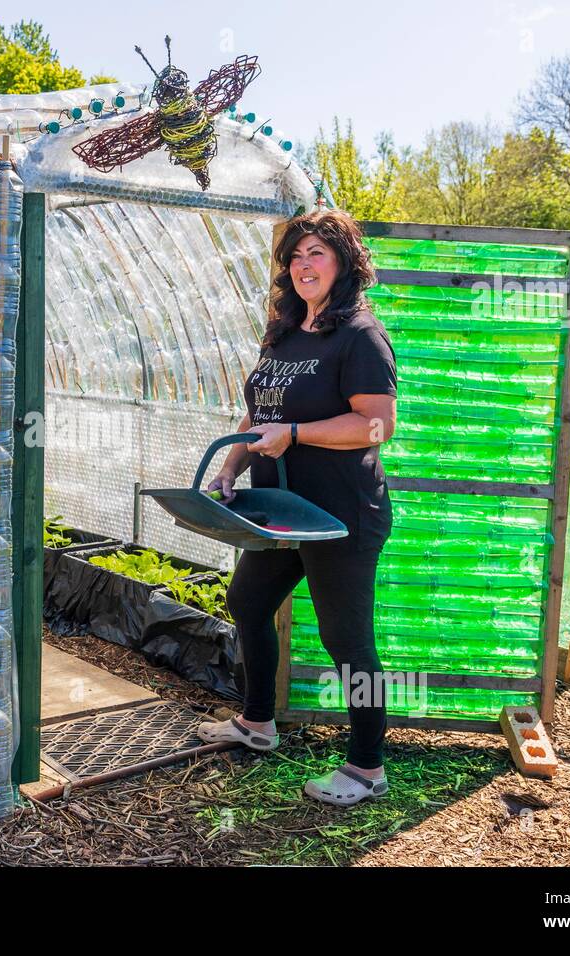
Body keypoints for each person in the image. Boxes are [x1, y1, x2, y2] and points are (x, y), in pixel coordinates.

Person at [195, 208, 398, 807]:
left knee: (347, 641)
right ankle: (258, 722)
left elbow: (376, 426)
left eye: (318, 253)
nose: (304, 264)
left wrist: (299, 434)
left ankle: (366, 768)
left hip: (340, 518)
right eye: (297, 254)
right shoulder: (283, 330)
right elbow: (261, 411)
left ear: (344, 264)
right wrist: (231, 465)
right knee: (248, 601)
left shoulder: (359, 335)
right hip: (283, 509)